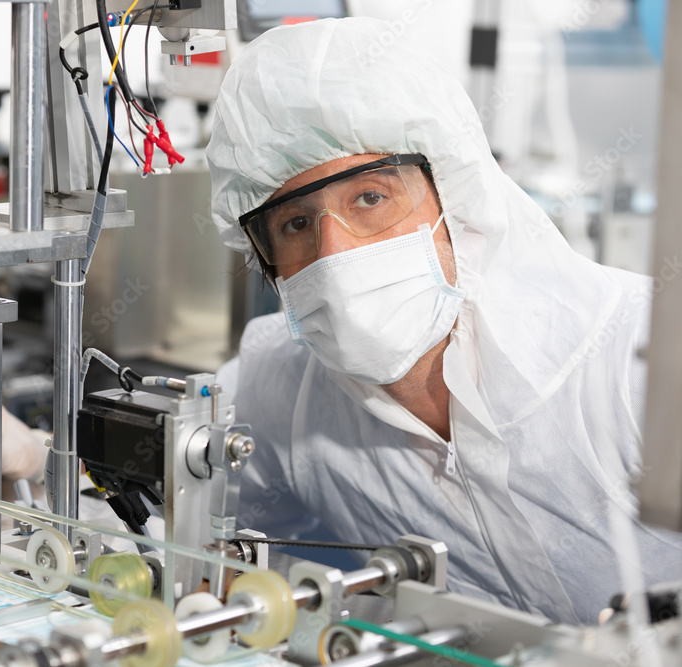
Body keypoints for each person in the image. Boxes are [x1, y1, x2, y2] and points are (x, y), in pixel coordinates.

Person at [206, 17, 682, 625]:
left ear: (455, 201)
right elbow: (190, 518)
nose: (335, 252)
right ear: (266, 260)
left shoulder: (636, 358)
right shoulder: (283, 392)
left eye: (370, 198)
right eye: (296, 223)